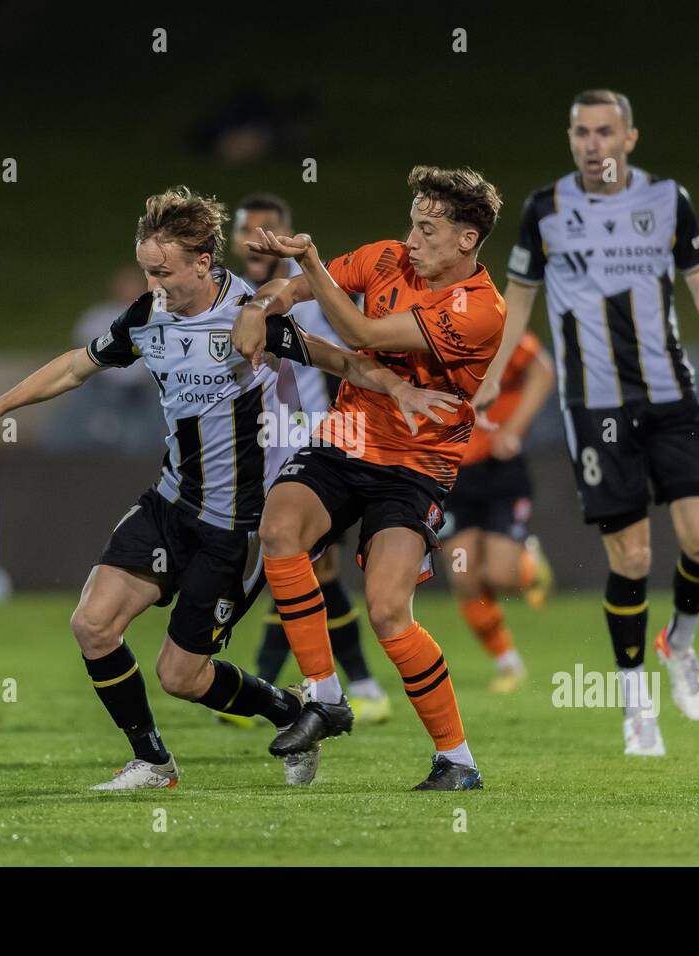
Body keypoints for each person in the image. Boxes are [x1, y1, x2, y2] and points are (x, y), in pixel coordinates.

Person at [0, 186, 453, 790]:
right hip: (168, 502)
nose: (153, 282)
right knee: (92, 625)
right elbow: (77, 365)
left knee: (181, 676)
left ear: (202, 263)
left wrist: (400, 392)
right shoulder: (147, 315)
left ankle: (291, 712)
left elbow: (341, 361)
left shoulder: (249, 315)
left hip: (235, 527)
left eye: (162, 271)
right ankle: (153, 762)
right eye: (145, 269)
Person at [484, 90, 699, 756]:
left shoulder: (667, 200)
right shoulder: (545, 209)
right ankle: (638, 708)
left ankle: (680, 643)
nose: (592, 144)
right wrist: (492, 374)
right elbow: (517, 299)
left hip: (671, 399)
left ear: (629, 139)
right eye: (581, 132)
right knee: (632, 556)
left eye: (605, 132)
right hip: (596, 407)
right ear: (571, 137)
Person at [233, 165, 507, 791]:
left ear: (467, 240)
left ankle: (457, 761)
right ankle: (327, 698)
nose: (411, 239)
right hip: (346, 438)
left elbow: (356, 333)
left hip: (416, 466)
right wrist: (260, 304)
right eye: (412, 223)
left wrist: (310, 261)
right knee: (279, 529)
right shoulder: (386, 258)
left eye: (428, 229)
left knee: (388, 612)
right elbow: (292, 290)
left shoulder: (480, 310)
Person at [230, 192, 390, 726]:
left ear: (284, 236)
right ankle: (304, 682)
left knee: (313, 563)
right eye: (245, 229)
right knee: (291, 564)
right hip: (258, 445)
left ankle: (350, 684)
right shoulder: (230, 297)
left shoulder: (314, 293)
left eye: (266, 229)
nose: (255, 239)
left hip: (314, 438)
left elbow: (353, 353)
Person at [443, 330, 555, 692]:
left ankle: (528, 564)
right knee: (463, 573)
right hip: (450, 469)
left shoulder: (493, 328)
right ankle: (509, 664)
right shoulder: (424, 329)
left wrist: (514, 428)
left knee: (501, 575)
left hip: (499, 468)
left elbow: (544, 371)